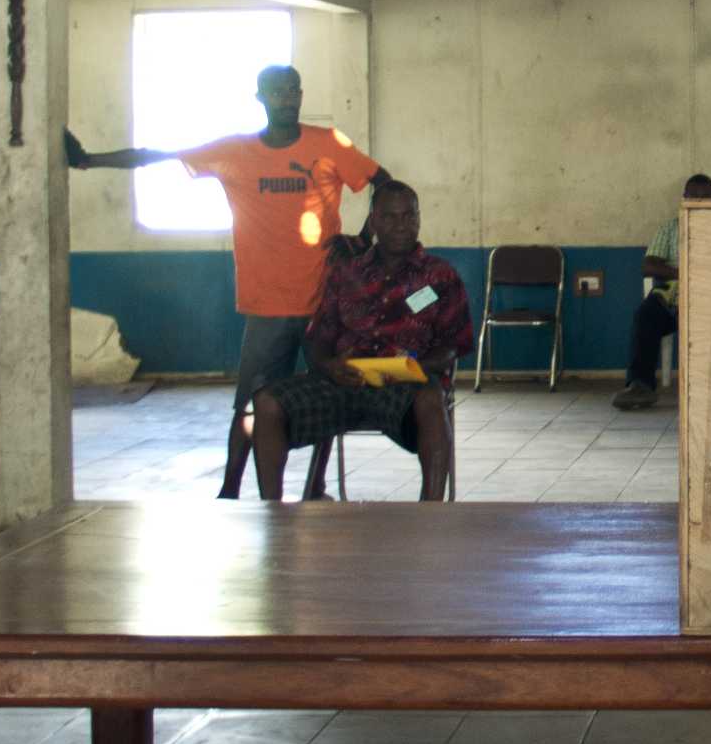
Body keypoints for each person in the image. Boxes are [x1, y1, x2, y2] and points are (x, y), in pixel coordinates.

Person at [65, 66, 384, 496]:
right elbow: (157, 155)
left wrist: (364, 240)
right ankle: (230, 490)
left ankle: (316, 486)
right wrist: (89, 160)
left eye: (293, 90)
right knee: (251, 405)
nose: (287, 98)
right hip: (266, 307)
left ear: (301, 94)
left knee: (327, 398)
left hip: (324, 305)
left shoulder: (328, 144)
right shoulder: (235, 151)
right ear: (260, 98)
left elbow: (385, 184)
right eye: (277, 91)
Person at [247, 180, 473, 503]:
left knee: (431, 401)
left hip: (405, 388)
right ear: (374, 221)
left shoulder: (440, 276)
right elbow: (316, 339)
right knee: (267, 402)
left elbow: (455, 344)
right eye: (391, 217)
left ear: (419, 218)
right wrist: (329, 366)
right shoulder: (346, 274)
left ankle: (431, 512)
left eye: (410, 216)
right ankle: (272, 511)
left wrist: (413, 368)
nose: (402, 226)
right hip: (343, 383)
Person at [614, 173, 711, 410]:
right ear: (684, 198)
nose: (699, 203)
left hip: (710, 301)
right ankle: (640, 386)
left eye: (705, 198)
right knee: (645, 315)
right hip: (672, 300)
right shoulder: (671, 228)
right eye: (693, 197)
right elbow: (648, 265)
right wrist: (687, 271)